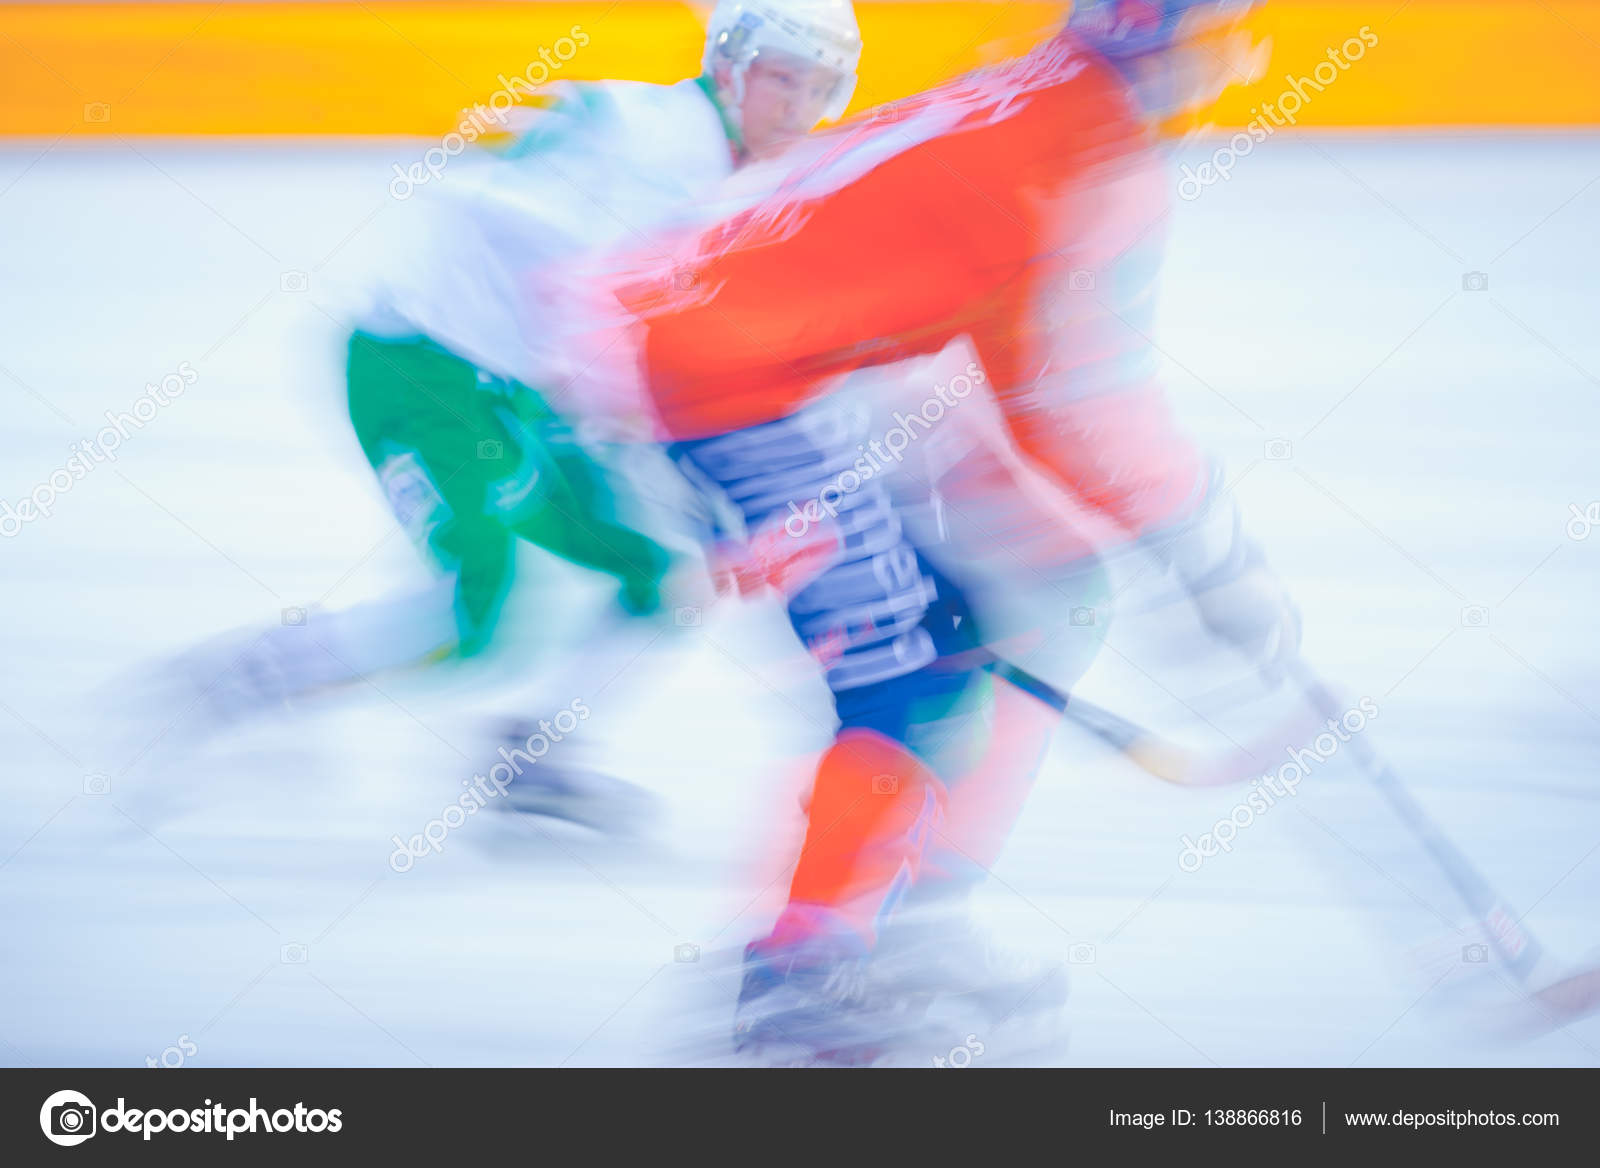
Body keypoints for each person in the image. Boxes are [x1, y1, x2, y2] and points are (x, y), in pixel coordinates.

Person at [560, 0, 1286, 1056]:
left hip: (711, 357)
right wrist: (1205, 557)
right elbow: (1066, 405)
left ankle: (891, 924)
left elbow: (940, 294)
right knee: (905, 677)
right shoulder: (1076, 163)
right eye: (1216, 34)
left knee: (974, 616)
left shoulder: (1030, 97)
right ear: (1168, 45)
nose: (1230, 59)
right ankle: (803, 973)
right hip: (715, 387)